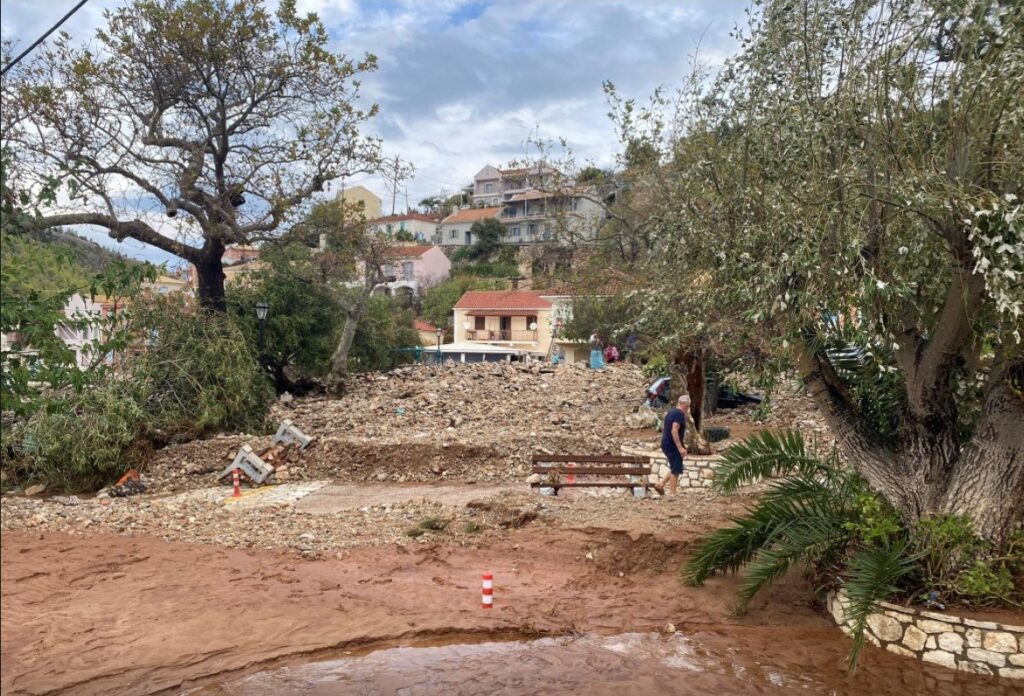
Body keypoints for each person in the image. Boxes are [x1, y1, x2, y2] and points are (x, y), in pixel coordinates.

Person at [657, 395, 690, 496]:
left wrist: (682, 446)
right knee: (675, 470)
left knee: (675, 466)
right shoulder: (679, 414)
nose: (688, 409)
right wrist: (680, 448)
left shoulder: (671, 412)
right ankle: (672, 493)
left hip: (666, 443)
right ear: (686, 405)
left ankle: (660, 484)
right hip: (672, 445)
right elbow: (674, 431)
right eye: (688, 406)